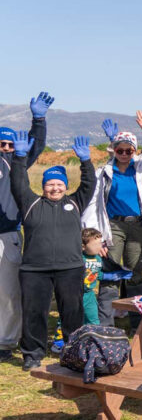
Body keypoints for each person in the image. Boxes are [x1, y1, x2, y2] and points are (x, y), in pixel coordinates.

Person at [11, 134, 95, 371]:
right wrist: (19, 157)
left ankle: (73, 351)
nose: (55, 188)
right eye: (50, 184)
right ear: (43, 186)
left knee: (72, 312)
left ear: (65, 186)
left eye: (59, 184)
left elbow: (89, 185)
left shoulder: (76, 202)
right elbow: (17, 182)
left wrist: (86, 162)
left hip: (70, 268)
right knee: (34, 312)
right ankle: (32, 353)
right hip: (34, 270)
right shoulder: (30, 204)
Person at [82, 111, 142, 304]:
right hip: (113, 226)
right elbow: (93, 204)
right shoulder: (103, 173)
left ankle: (134, 318)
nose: (125, 154)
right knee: (110, 269)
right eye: (121, 150)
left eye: (129, 150)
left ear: (135, 151)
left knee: (135, 269)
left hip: (137, 225)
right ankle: (107, 316)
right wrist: (95, 235)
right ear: (114, 150)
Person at [0, 91, 53, 360]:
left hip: (7, 233)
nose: (7, 149)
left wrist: (39, 118)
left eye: (10, 145)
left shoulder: (16, 164)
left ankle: (6, 342)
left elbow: (36, 146)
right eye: (2, 144)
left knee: (8, 292)